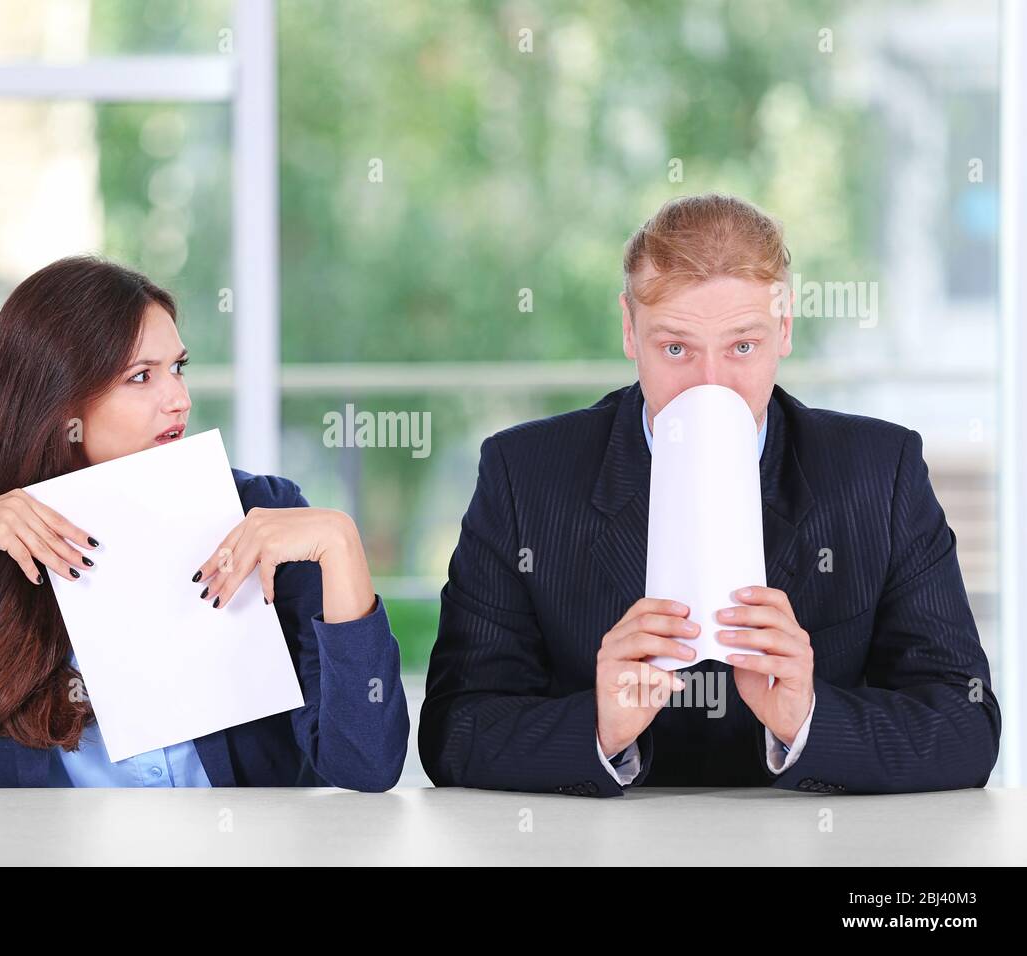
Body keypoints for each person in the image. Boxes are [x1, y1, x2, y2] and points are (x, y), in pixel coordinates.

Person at [419, 193, 1000, 796]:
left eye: (742, 347)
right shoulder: (525, 475)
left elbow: (967, 724)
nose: (711, 383)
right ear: (629, 330)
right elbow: (454, 729)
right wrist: (598, 725)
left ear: (784, 329)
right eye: (676, 348)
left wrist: (807, 719)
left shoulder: (879, 474)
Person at [0, 256, 408, 793]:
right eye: (141, 376)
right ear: (60, 405)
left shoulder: (261, 513)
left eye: (178, 367)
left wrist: (340, 543)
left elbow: (366, 766)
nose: (178, 398)